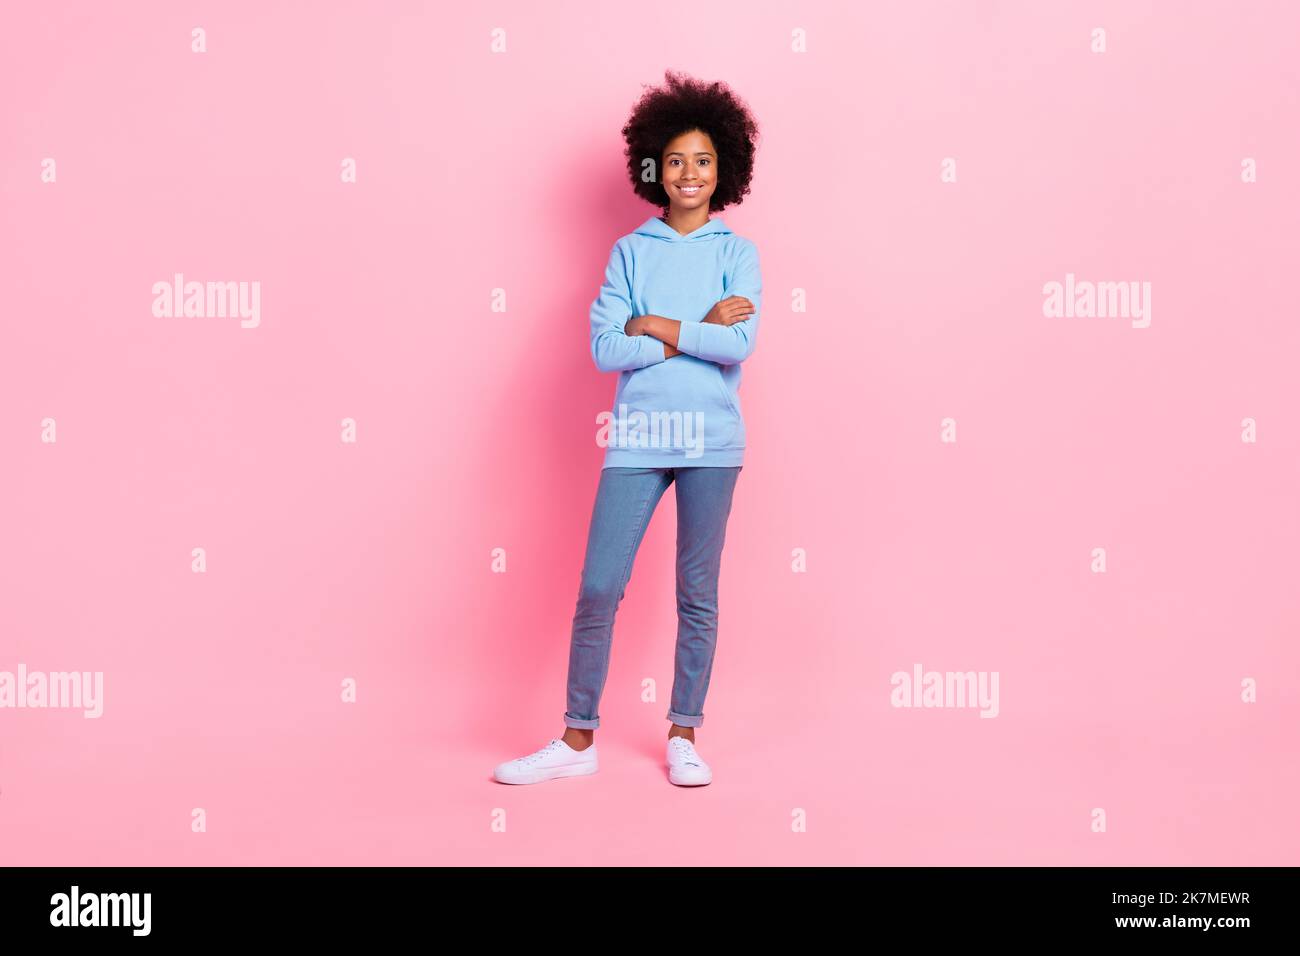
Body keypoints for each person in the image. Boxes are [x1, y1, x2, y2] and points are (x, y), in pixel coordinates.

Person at [494, 70, 762, 787]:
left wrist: (663, 326)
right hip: (638, 437)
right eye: (675, 160)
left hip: (712, 441)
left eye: (703, 161)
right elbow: (608, 348)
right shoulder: (629, 253)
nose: (689, 174)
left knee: (696, 594)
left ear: (724, 169)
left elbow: (739, 346)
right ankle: (576, 742)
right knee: (599, 586)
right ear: (654, 167)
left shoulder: (737, 254)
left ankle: (684, 732)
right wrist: (698, 328)